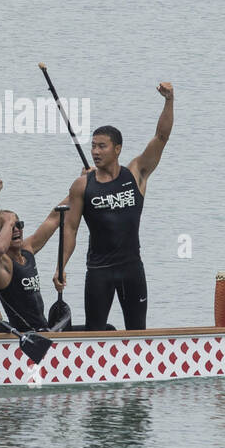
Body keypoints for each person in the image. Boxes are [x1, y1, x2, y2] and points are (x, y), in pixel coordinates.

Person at [55, 82, 174, 330]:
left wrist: (169, 101)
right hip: (99, 272)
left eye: (102, 146)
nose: (95, 152)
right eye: (93, 146)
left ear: (117, 149)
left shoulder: (136, 174)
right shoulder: (82, 185)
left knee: (137, 331)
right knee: (95, 333)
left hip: (132, 269)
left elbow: (161, 137)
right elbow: (71, 229)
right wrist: (61, 266)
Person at [0, 179, 70, 332]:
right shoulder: (1, 264)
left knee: (108, 327)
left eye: (19, 225)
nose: (16, 229)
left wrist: (82, 185)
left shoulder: (28, 249)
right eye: (10, 227)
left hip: (44, 330)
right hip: (23, 336)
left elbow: (54, 218)